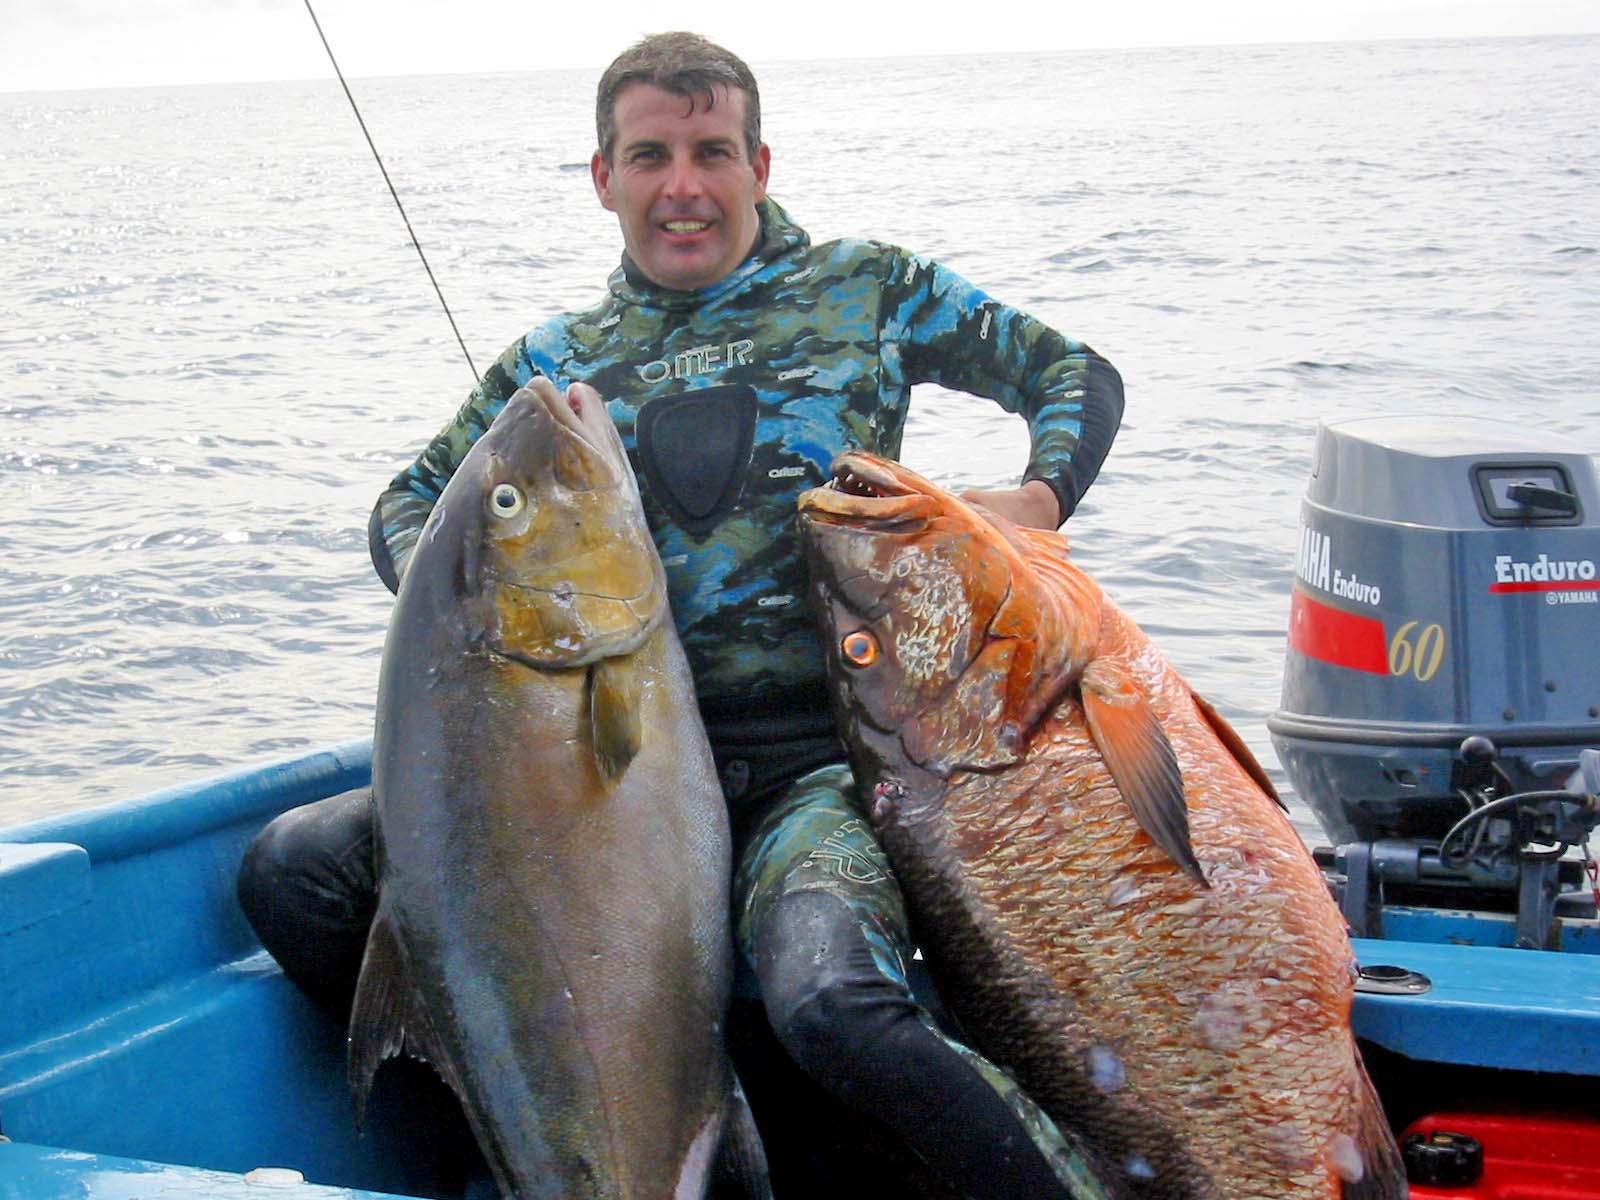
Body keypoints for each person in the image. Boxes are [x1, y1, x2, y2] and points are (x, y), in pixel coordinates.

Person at [239, 31, 1123, 1199]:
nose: (683, 186)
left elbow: (1072, 374)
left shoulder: (869, 290)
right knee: (290, 873)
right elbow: (407, 504)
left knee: (829, 998)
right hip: (612, 780)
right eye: (648, 155)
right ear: (604, 178)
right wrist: (482, 617)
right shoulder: (559, 366)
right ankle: (514, 1151)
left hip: (823, 770)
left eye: (711, 151)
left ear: (760, 162)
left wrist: (1034, 500)